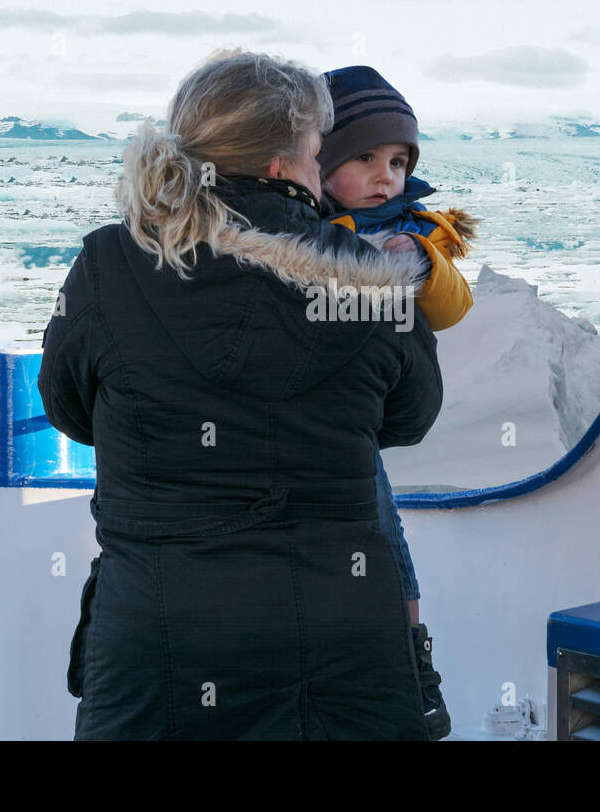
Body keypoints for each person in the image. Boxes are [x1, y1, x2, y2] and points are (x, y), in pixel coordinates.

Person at [37, 49, 443, 740]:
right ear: (285, 165)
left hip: (159, 634)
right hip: (341, 642)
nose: (321, 170)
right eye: (318, 152)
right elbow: (408, 418)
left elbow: (71, 411)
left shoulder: (109, 262)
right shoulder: (371, 278)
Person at [315, 65, 477, 741]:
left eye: (399, 160)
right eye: (364, 158)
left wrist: (423, 265)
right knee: (372, 532)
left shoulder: (414, 229)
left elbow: (452, 308)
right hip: (331, 411)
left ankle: (413, 660)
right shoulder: (308, 229)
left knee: (384, 534)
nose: (387, 175)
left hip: (359, 410)